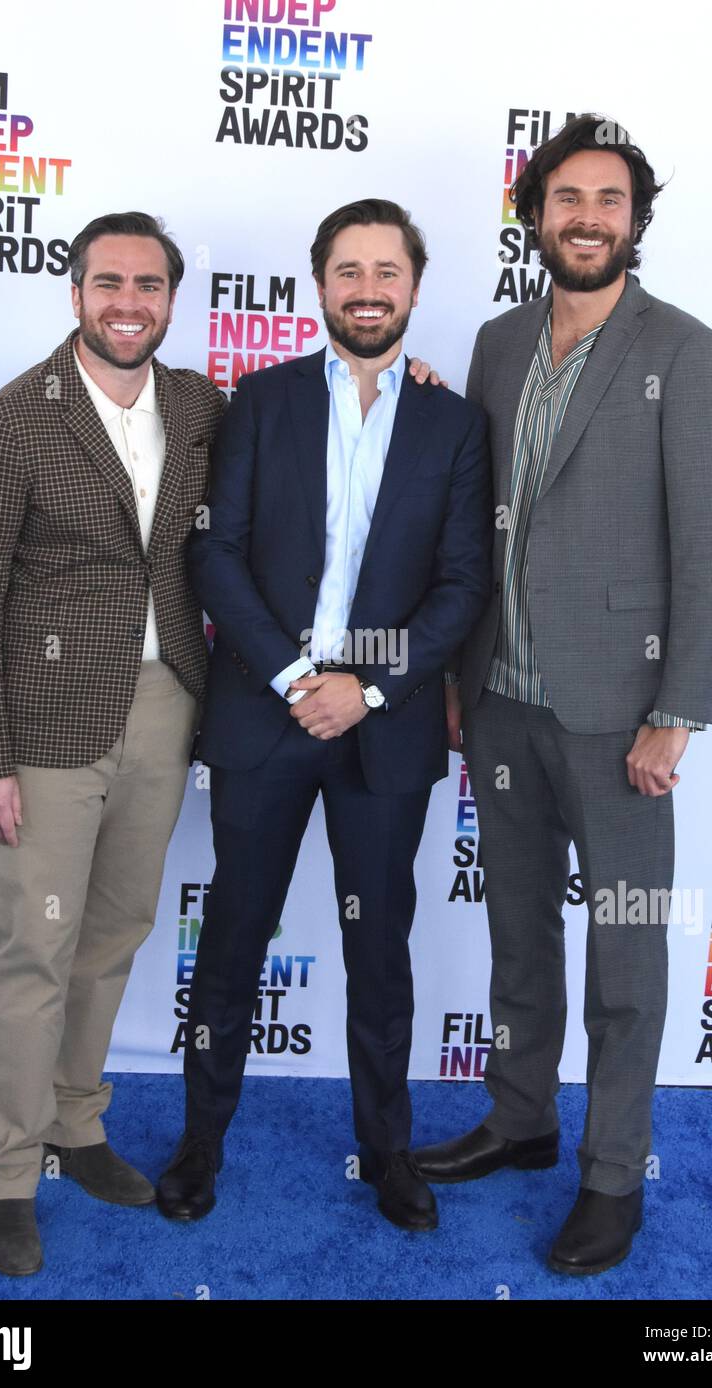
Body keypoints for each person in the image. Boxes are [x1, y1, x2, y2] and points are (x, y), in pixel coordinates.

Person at [412, 115, 712, 1274]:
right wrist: (458, 678)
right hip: (498, 698)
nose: (588, 218)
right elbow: (471, 513)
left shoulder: (687, 352)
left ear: (636, 220)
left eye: (609, 199)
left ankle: (612, 1172)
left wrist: (678, 710)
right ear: (536, 216)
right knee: (516, 937)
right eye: (567, 199)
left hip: (620, 711)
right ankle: (519, 1119)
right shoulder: (500, 342)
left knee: (627, 953)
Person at [156, 198, 493, 1232]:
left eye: (387, 271)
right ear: (320, 286)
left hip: (383, 731)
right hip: (266, 716)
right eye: (348, 270)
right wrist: (300, 675)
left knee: (379, 950)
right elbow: (215, 550)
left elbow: (462, 581)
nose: (368, 289)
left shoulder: (453, 420)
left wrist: (370, 686)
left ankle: (388, 1153)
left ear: (415, 288)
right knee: (231, 945)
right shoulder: (259, 401)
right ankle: (199, 1145)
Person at [0, 211, 226, 1276]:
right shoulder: (13, 420)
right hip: (46, 727)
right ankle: (5, 1173)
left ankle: (75, 1119)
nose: (128, 303)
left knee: (113, 933)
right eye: (108, 283)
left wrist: (403, 375)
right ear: (74, 294)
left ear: (168, 300)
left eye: (148, 286)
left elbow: (298, 442)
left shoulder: (199, 405)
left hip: (166, 705)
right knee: (33, 955)